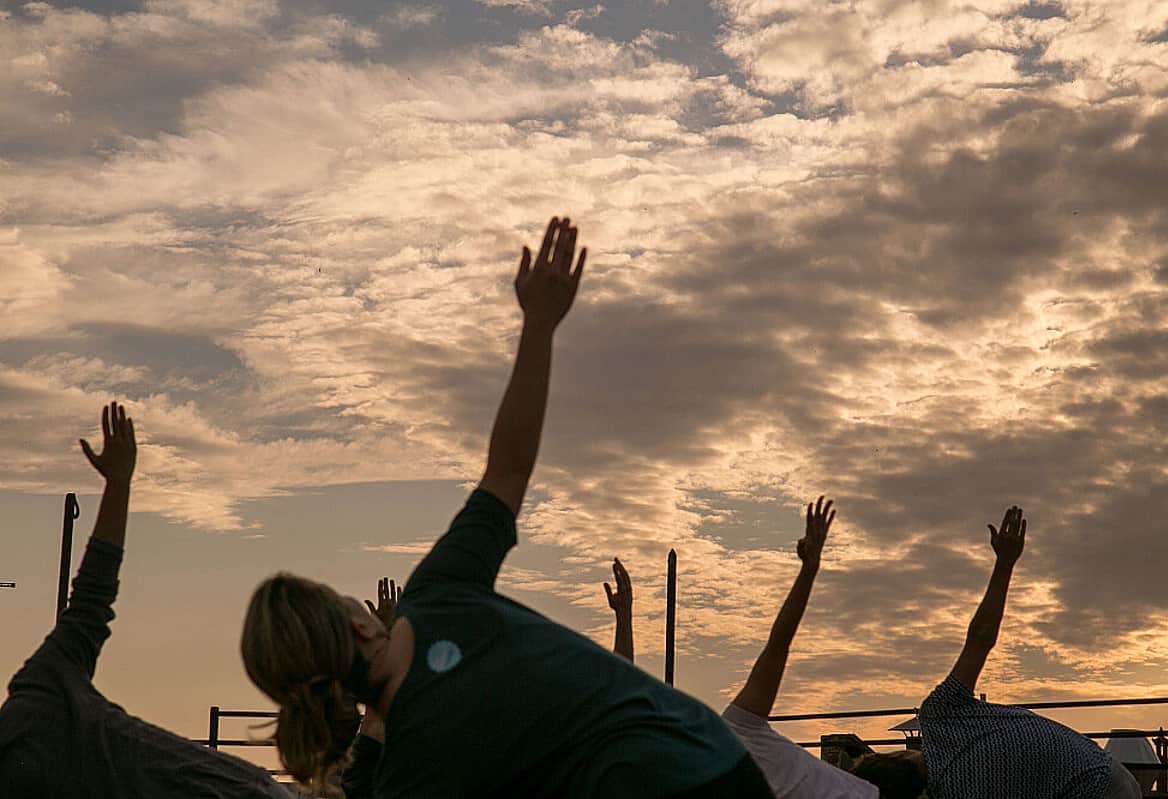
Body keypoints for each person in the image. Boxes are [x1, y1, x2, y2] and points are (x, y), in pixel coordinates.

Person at [239, 217, 773, 798]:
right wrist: (539, 326)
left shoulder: (410, 771)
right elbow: (509, 467)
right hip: (707, 765)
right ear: (359, 624)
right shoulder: (438, 592)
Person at [0, 402, 293, 799]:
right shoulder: (42, 686)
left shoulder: (44, 685)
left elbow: (92, 595)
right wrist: (118, 485)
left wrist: (118, 486)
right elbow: (91, 597)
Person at [850, 506, 1142, 799]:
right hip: (1099, 774)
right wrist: (1004, 564)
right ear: (898, 757)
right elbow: (980, 639)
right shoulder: (940, 714)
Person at [607, 498, 880, 799]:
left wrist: (808, 572)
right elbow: (778, 646)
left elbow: (777, 646)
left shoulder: (739, 730)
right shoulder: (731, 739)